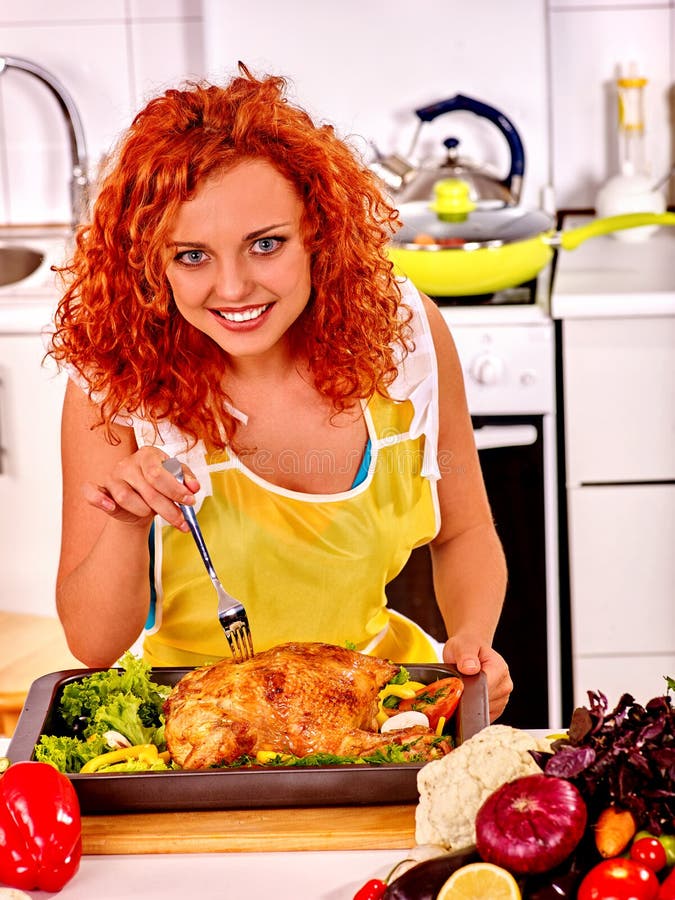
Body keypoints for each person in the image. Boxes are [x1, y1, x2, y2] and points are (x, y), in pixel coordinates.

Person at [49, 63, 512, 721]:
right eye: (191, 255)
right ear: (148, 260)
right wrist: (127, 519)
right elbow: (92, 645)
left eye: (265, 245)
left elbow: (464, 531)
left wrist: (468, 641)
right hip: (193, 722)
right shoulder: (117, 380)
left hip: (375, 707)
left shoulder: (402, 335)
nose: (233, 288)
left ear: (317, 233)